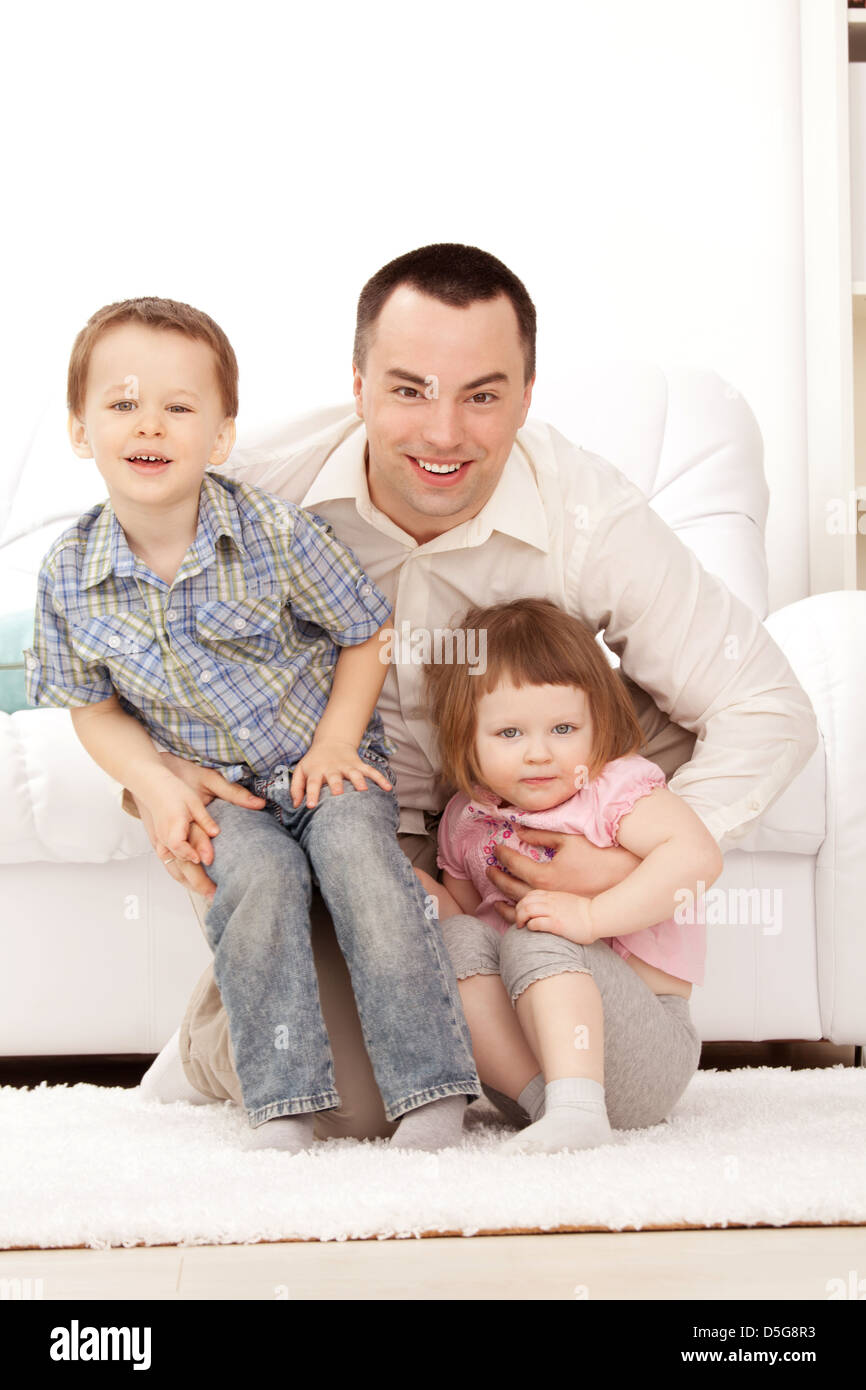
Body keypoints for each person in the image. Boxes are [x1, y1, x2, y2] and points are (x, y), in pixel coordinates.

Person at [132, 243, 818, 1142]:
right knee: (356, 1102)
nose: (444, 433)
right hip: (344, 816)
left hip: (526, 807)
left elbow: (767, 708)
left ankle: (499, 1014)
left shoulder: (586, 514)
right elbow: (127, 656)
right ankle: (221, 1031)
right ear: (359, 384)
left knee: (610, 1086)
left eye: (482, 395)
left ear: (528, 396)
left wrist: (633, 863)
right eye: (410, 389)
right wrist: (158, 777)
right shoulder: (251, 492)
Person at [23, 295, 481, 1153]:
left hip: (320, 761)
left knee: (359, 861)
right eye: (121, 404)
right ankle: (284, 1102)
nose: (149, 424)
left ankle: (431, 1090)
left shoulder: (266, 531)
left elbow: (366, 631)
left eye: (178, 406)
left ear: (222, 435)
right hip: (219, 793)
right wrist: (155, 784)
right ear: (82, 430)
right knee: (261, 885)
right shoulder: (69, 573)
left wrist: (338, 742)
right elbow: (92, 707)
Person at [417, 596, 723, 1153]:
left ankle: (580, 1108)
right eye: (509, 734)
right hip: (525, 1081)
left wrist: (591, 915)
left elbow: (698, 860)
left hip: (642, 1056)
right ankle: (560, 1114)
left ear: (595, 724)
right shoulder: (466, 818)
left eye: (562, 728)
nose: (539, 754)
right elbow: (468, 938)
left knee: (543, 930)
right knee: (453, 936)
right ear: (467, 739)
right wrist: (411, 890)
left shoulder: (614, 788)